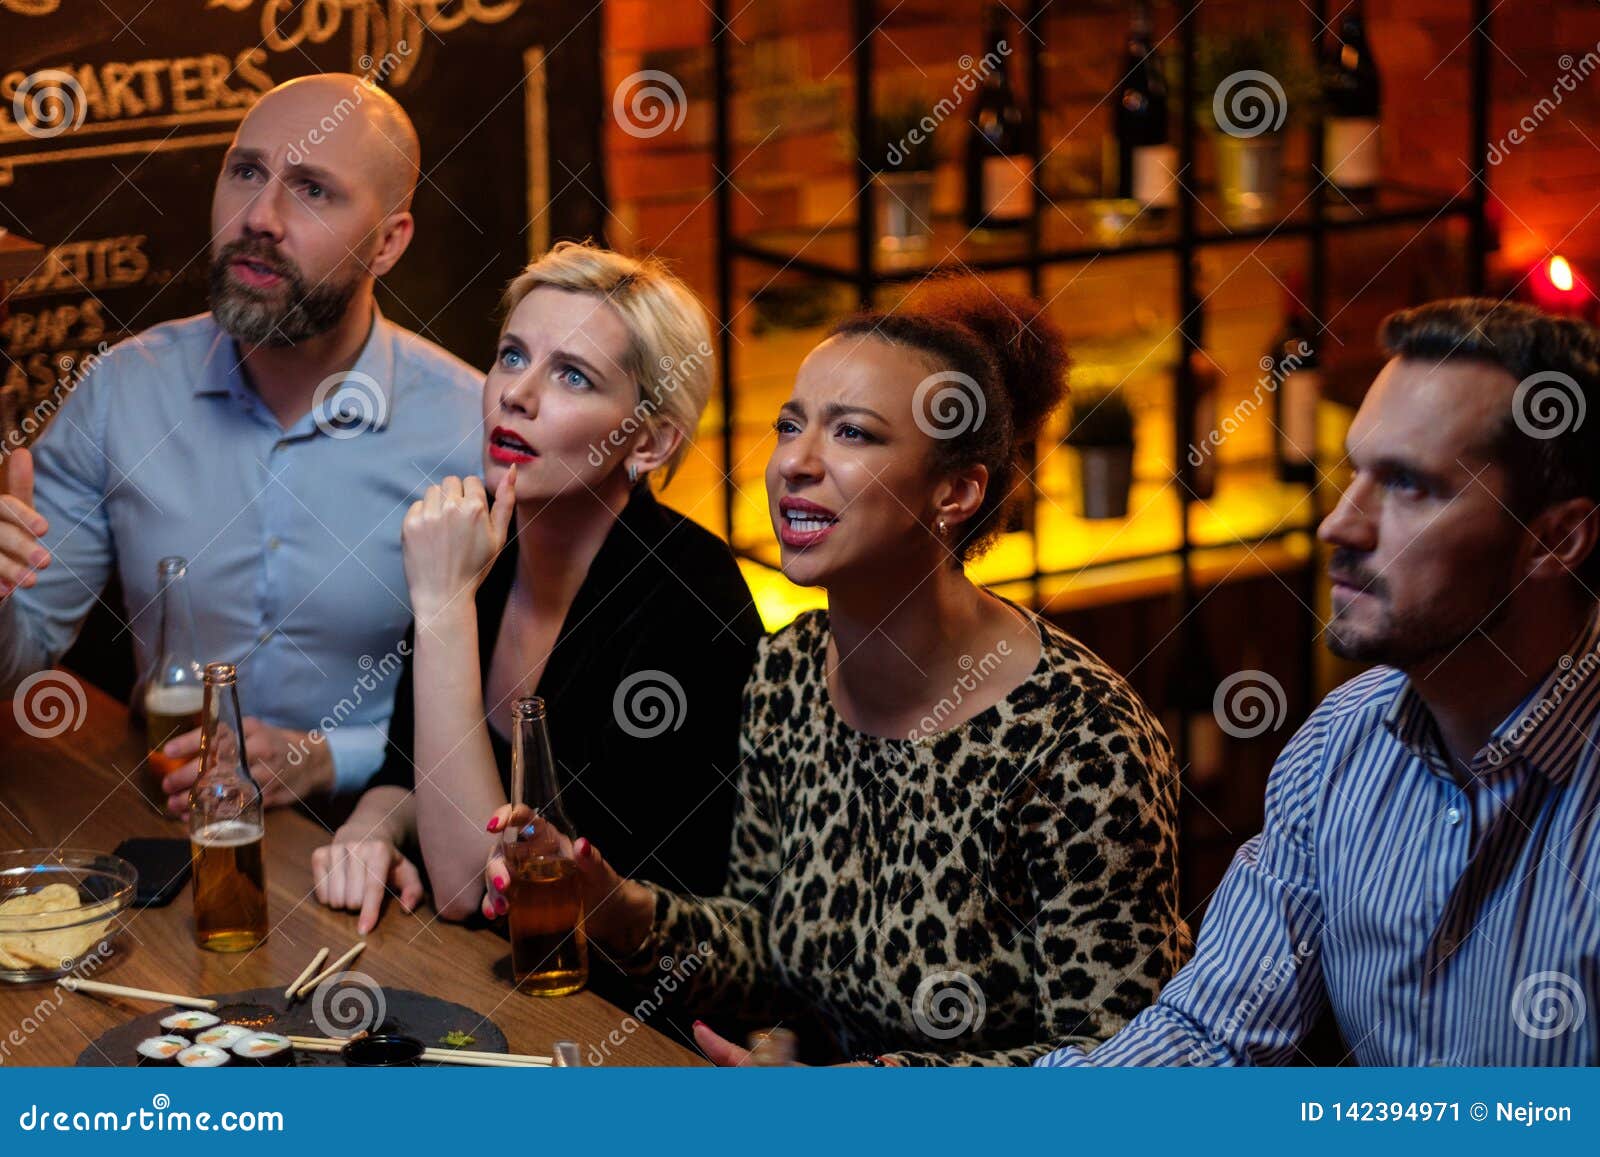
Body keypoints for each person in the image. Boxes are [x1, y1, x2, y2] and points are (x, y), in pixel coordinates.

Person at [486, 285, 1191, 1065]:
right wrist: (621, 911)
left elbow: (1125, 1064)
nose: (795, 461)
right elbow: (764, 951)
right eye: (792, 426)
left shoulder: (1081, 740)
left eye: (851, 432)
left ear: (956, 491)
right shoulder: (787, 674)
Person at [1037, 298, 1600, 1067]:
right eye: (1354, 470)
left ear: (1555, 538)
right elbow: (1211, 1037)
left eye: (1409, 486)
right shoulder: (1341, 741)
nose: (1341, 522)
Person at [0, 74, 480, 810]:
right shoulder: (119, 393)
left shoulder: (471, 429)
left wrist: (332, 757)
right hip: (170, 813)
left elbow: (527, 708)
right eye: (246, 172)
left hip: (382, 835)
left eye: (314, 190)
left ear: (388, 243)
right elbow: (19, 657)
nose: (261, 216)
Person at [310, 241, 763, 934]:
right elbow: (410, 765)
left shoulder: (688, 602)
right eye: (512, 356)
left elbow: (481, 891)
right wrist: (370, 826)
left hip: (631, 1017)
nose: (515, 393)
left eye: (573, 376)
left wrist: (441, 608)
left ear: (648, 443)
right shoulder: (488, 543)